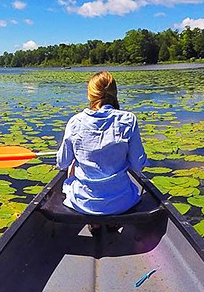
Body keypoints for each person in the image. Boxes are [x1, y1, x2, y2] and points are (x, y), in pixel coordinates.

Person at [56, 71, 147, 218]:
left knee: (72, 163)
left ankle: (94, 223)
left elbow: (62, 163)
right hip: (122, 202)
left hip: (83, 203)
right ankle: (112, 221)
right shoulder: (129, 120)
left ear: (90, 95)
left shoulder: (75, 122)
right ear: (114, 92)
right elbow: (138, 166)